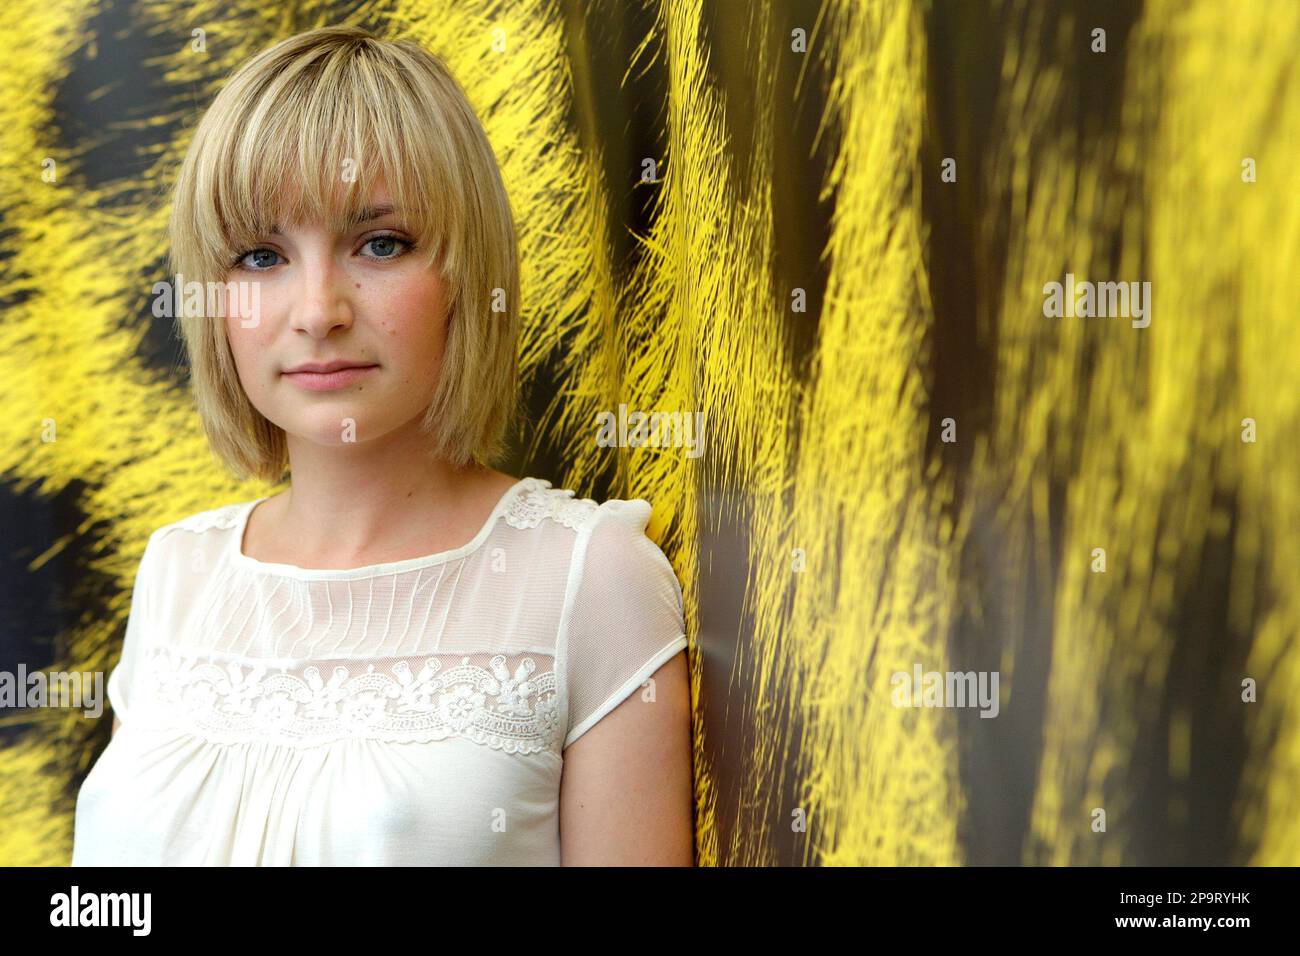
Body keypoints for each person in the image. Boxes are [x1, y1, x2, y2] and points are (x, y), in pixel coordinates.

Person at [71, 25, 692, 866]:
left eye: (380, 244)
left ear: (468, 272)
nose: (319, 309)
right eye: (261, 256)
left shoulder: (593, 580)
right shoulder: (177, 574)